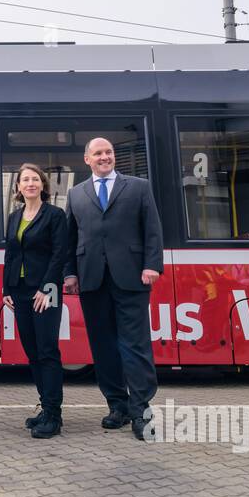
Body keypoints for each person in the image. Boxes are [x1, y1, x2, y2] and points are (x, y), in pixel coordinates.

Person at [63, 138, 164, 440]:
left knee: (134, 345)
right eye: (98, 153)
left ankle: (141, 410)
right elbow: (70, 238)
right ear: (87, 159)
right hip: (92, 279)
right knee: (103, 346)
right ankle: (116, 406)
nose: (104, 157)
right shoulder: (75, 193)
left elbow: (152, 229)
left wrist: (152, 265)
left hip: (132, 277)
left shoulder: (138, 187)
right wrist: (69, 274)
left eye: (108, 152)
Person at [1, 163, 69, 438]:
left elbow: (59, 255)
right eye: (24, 180)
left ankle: (54, 415)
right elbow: (10, 255)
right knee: (32, 352)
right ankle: (45, 406)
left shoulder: (55, 215)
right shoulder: (14, 217)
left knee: (47, 351)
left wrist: (46, 289)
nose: (30, 183)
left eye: (34, 179)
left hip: (45, 292)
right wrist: (6, 288)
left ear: (42, 184)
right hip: (19, 291)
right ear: (18, 187)